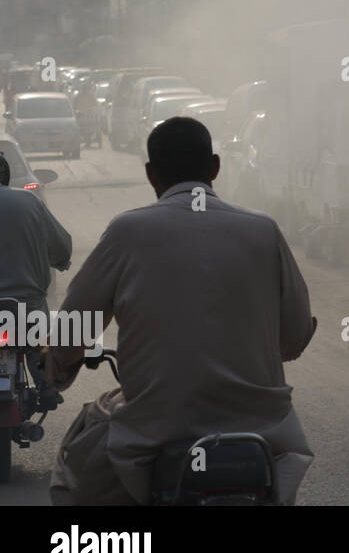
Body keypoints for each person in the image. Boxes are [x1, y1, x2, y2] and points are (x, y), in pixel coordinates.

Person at [47, 116, 317, 505]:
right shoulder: (264, 231)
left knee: (69, 481)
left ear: (151, 175)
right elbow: (293, 339)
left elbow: (73, 331)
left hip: (155, 434)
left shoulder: (128, 231)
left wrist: (56, 363)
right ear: (215, 167)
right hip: (265, 436)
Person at [0, 152, 72, 405]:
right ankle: (45, 385)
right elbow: (61, 245)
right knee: (37, 343)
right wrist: (62, 261)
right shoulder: (29, 201)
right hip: (27, 305)